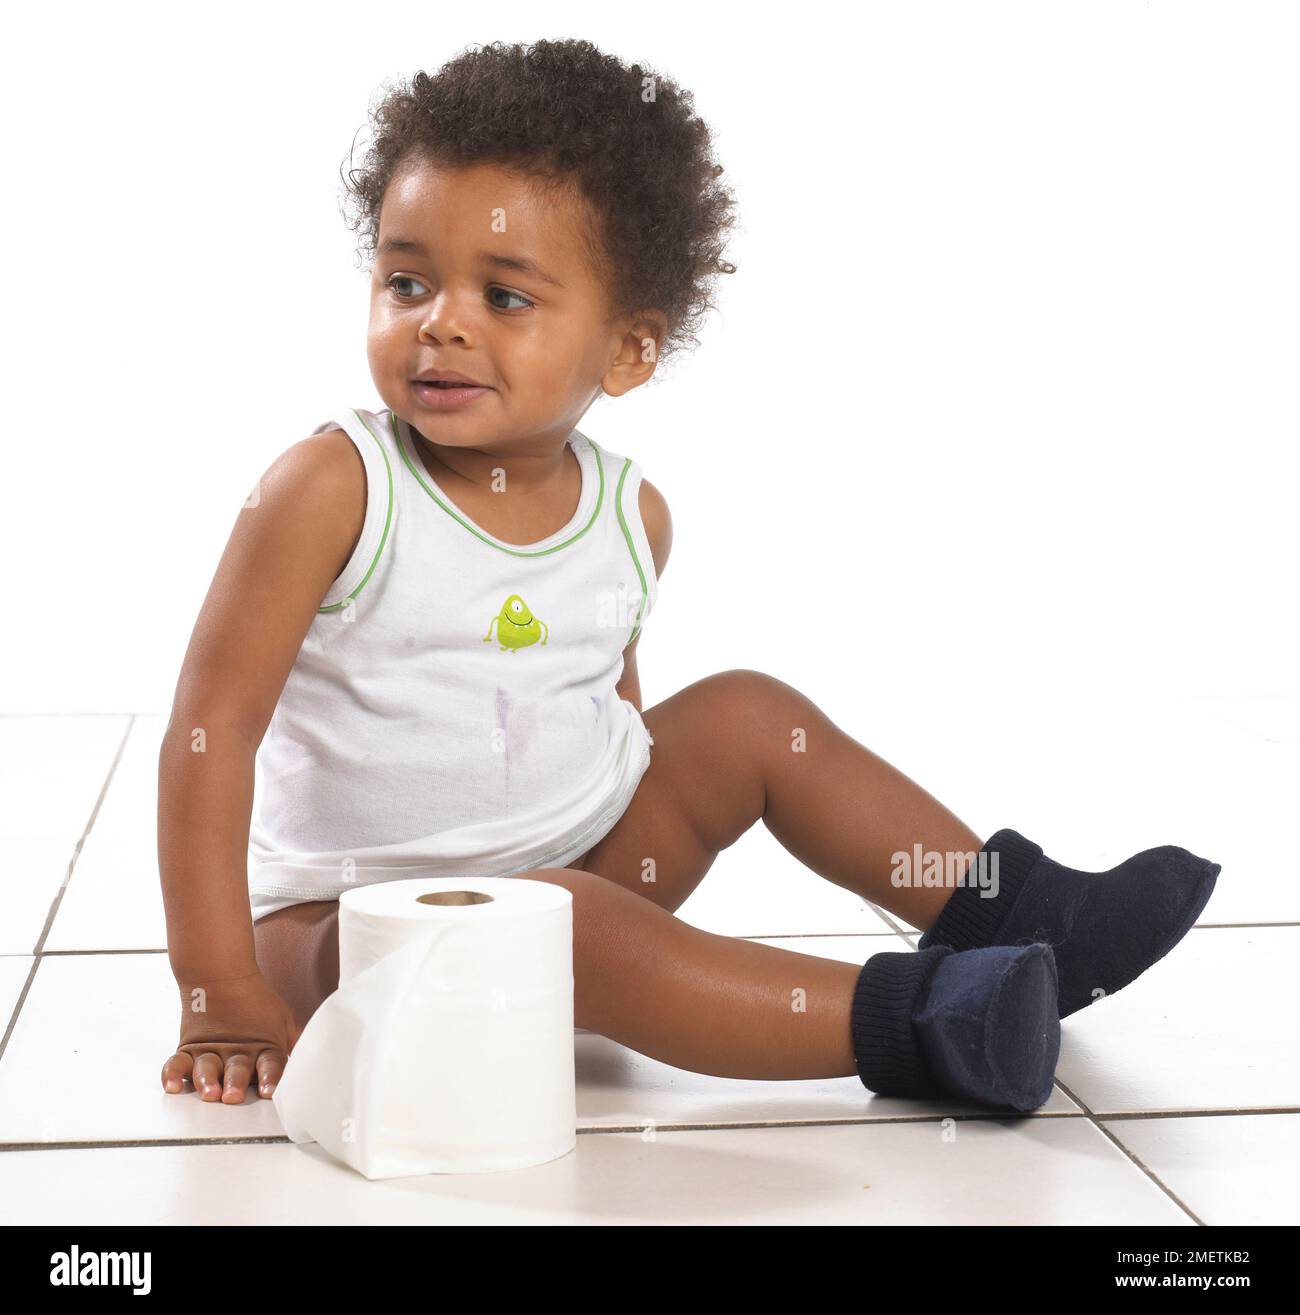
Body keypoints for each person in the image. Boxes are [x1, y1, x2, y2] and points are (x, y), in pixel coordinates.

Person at [158, 39, 1219, 1116]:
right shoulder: (332, 488)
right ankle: (927, 1021)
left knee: (750, 717)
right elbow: (210, 732)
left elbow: (599, 704)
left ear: (626, 351)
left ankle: (1021, 921)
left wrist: (618, 844)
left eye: (505, 296)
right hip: (361, 941)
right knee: (573, 919)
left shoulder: (630, 515)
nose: (442, 320)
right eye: (406, 280)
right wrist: (221, 988)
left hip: (576, 881)